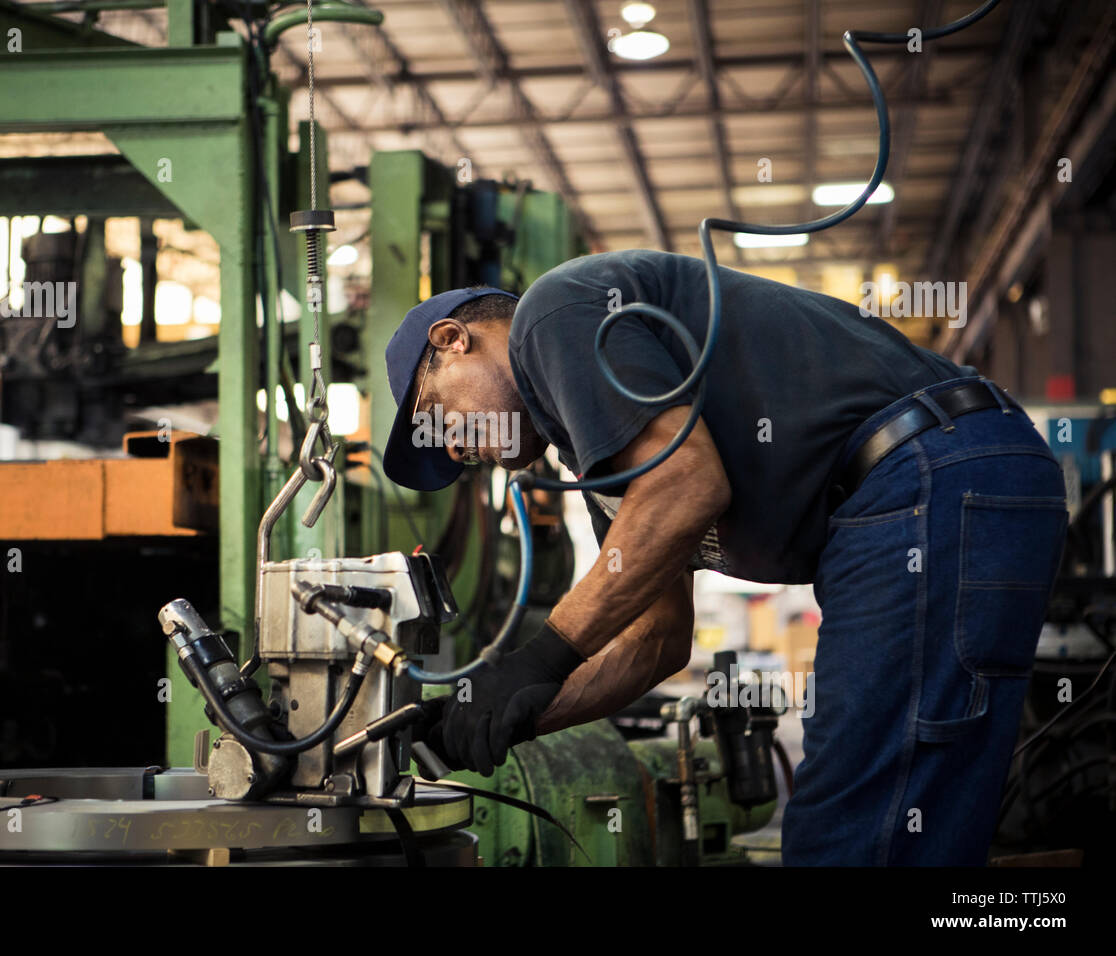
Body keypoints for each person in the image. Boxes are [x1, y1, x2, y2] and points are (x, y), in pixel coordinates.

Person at [380, 249, 1068, 865]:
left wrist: (539, 656)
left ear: (453, 341)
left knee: (851, 834)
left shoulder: (549, 316)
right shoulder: (601, 460)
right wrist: (510, 715)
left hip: (931, 472)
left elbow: (687, 485)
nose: (456, 451)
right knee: (913, 828)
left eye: (437, 417)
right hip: (949, 486)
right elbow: (655, 641)